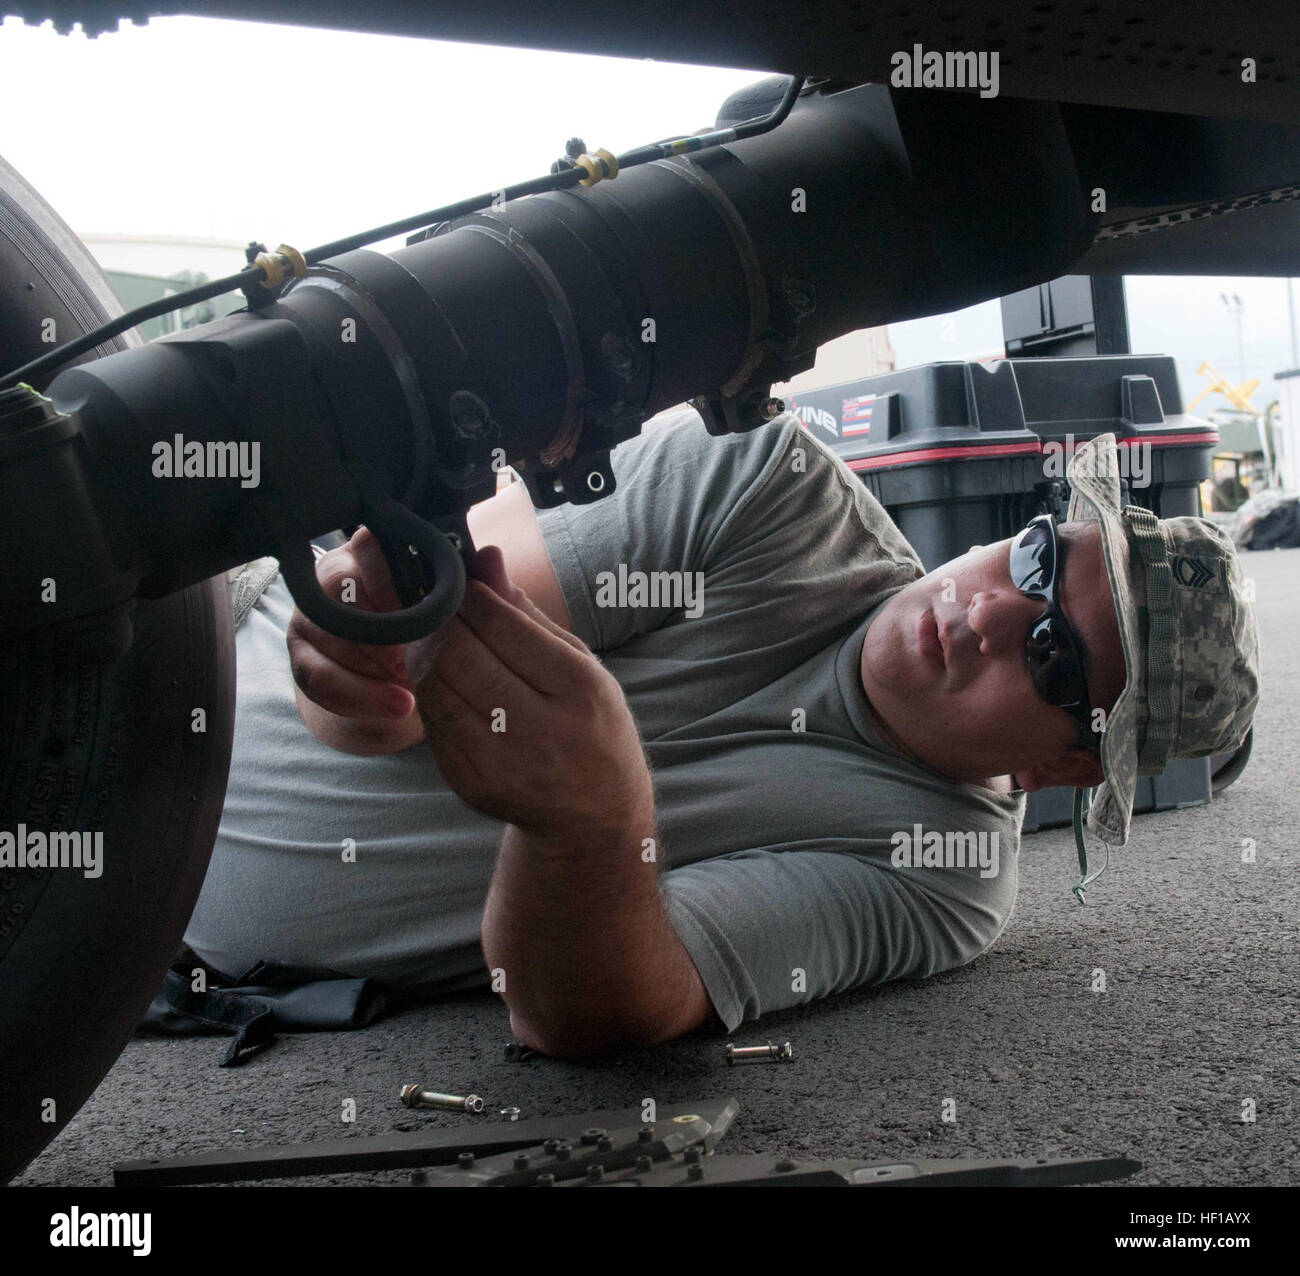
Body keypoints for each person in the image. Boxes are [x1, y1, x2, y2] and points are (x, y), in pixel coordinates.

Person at [183, 406, 1259, 1057]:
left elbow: (591, 1013)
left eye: (1051, 658)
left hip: (131, 942)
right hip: (165, 666)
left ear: (1056, 765)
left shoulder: (947, 876)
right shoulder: (766, 483)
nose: (984, 615)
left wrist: (591, 827)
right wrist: (362, 633)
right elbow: (411, 628)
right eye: (1032, 560)